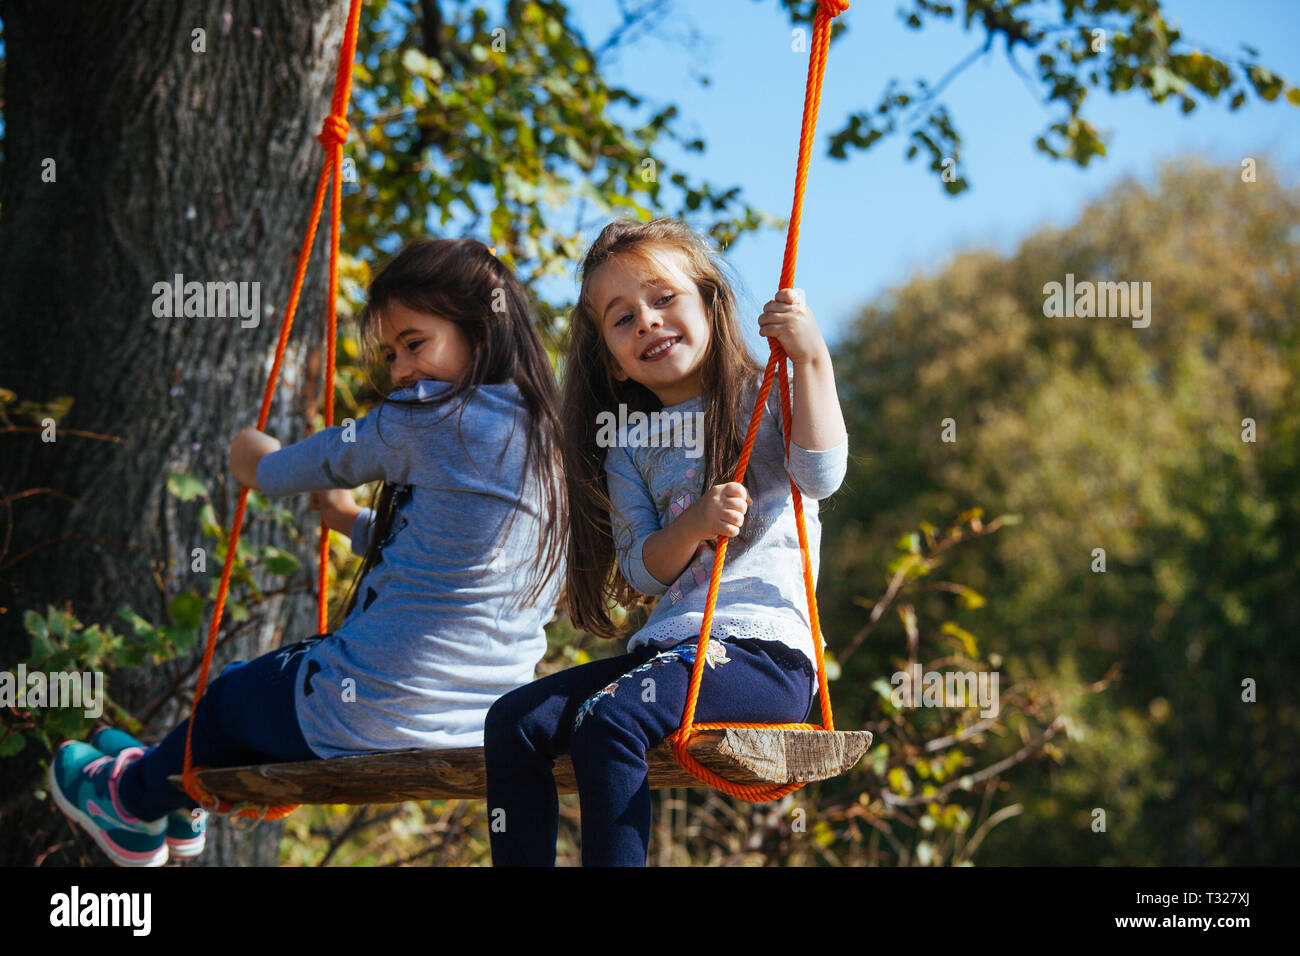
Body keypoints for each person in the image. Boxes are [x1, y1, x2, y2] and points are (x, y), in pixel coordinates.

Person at [49, 238, 566, 866]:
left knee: (230, 699)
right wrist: (352, 522)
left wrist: (249, 452)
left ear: (481, 331)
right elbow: (462, 558)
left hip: (374, 708)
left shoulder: (424, 415)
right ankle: (171, 786)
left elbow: (279, 471)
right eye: (391, 352)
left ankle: (130, 801)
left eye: (414, 342)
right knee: (267, 695)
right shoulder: (552, 442)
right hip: (481, 719)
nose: (400, 369)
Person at [483, 217, 848, 866]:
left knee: (610, 721)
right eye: (622, 319)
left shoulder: (766, 397)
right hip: (672, 652)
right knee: (513, 721)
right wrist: (693, 527)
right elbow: (645, 571)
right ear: (612, 364)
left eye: (662, 299)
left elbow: (820, 474)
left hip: (765, 656)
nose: (646, 321)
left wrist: (813, 358)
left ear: (709, 302)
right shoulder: (631, 447)